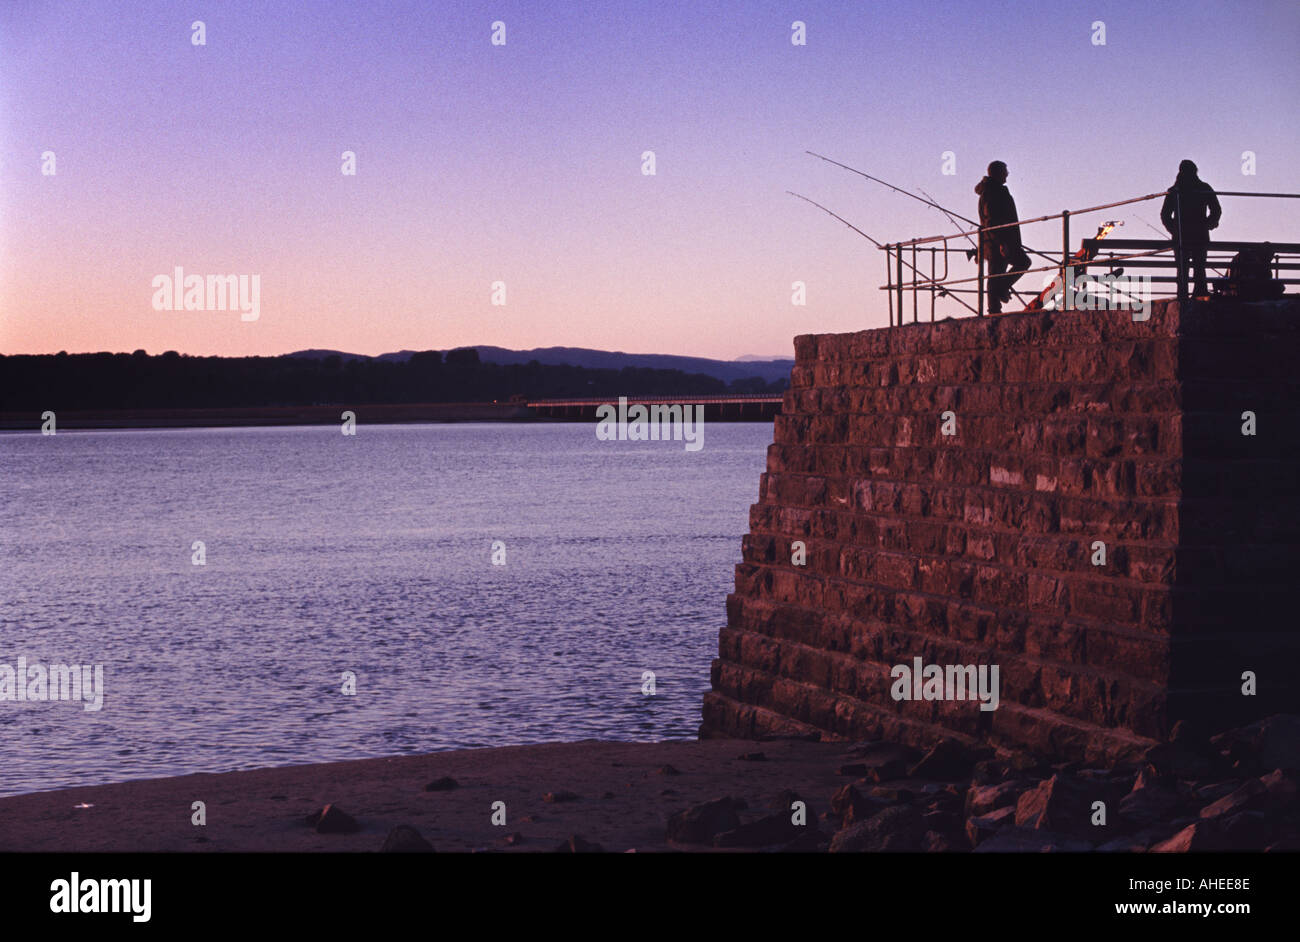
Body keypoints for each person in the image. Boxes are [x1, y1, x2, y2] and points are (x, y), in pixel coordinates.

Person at [1160, 159, 1221, 298]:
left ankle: (1183, 294)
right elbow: (1216, 210)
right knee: (1199, 265)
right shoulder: (1203, 188)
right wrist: (1209, 224)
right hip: (1198, 233)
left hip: (1183, 235)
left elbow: (1165, 215)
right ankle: (1199, 291)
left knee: (1183, 267)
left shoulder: (1175, 191)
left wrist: (1174, 229)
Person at [976, 161, 1031, 313]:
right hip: (997, 242)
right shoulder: (992, 192)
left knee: (1018, 264)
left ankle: (999, 293)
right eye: (1005, 171)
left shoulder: (994, 191)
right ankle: (994, 309)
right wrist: (1001, 243)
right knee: (996, 273)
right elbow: (991, 220)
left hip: (1003, 241)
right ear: (998, 173)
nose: (1007, 174)